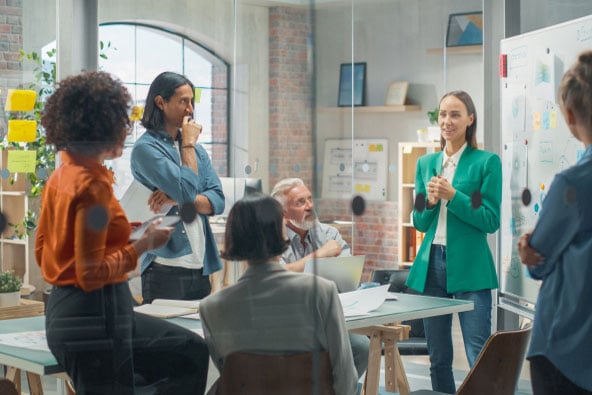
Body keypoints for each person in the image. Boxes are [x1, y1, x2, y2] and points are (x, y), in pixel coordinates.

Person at [36, 71, 209, 394]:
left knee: (189, 351)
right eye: (120, 122)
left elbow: (46, 246)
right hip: (93, 316)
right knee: (188, 355)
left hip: (72, 310)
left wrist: (125, 233)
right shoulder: (91, 185)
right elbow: (89, 273)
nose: (126, 130)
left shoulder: (62, 175)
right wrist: (143, 244)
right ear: (101, 127)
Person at [200, 194, 358, 395]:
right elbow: (345, 377)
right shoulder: (321, 292)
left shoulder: (211, 307)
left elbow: (230, 378)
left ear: (233, 238)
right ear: (281, 234)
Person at [405, 90, 502, 394]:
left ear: (470, 120)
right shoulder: (425, 164)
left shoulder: (486, 162)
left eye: (455, 114)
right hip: (432, 264)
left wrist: (453, 196)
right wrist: (431, 202)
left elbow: (489, 219)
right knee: (439, 357)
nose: (447, 121)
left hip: (471, 267)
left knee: (478, 356)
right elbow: (418, 219)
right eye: (443, 114)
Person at [518, 51, 592, 395]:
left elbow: (537, 261)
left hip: (566, 347)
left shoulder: (572, 183)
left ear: (569, 115)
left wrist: (527, 248)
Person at [131, 71, 224, 303]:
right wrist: (189, 144)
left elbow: (219, 200)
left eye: (191, 101)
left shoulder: (197, 152)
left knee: (199, 338)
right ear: (160, 102)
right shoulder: (146, 149)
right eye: (183, 101)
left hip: (201, 265)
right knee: (166, 338)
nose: (190, 109)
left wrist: (176, 198)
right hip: (165, 267)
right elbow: (187, 192)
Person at [270, 177, 370, 381]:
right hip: (289, 322)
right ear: (283, 213)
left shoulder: (328, 233)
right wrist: (320, 255)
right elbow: (275, 277)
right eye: (300, 202)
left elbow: (347, 275)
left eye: (309, 199)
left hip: (326, 316)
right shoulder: (274, 237)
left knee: (361, 346)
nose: (310, 206)